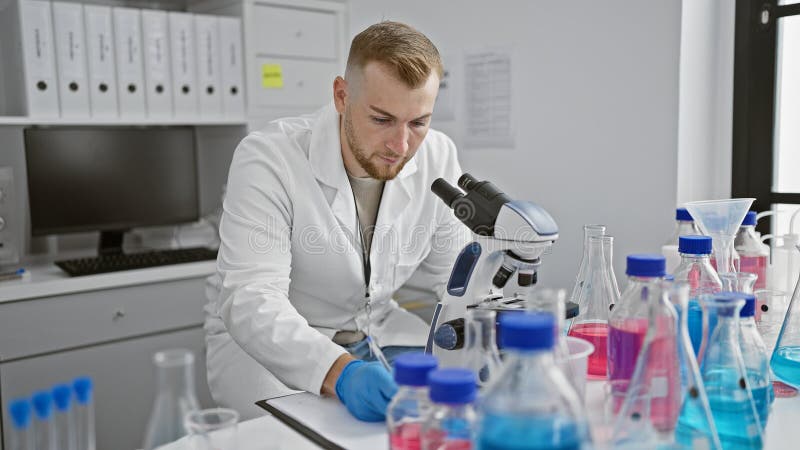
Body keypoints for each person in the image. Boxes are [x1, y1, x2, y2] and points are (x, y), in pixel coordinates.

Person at [203, 21, 469, 422]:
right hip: (272, 341)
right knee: (293, 439)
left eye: (418, 123)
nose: (401, 146)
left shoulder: (438, 155)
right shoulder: (269, 158)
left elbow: (456, 279)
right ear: (342, 96)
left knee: (446, 413)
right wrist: (338, 371)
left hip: (377, 325)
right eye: (381, 119)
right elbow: (251, 297)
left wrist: (488, 326)